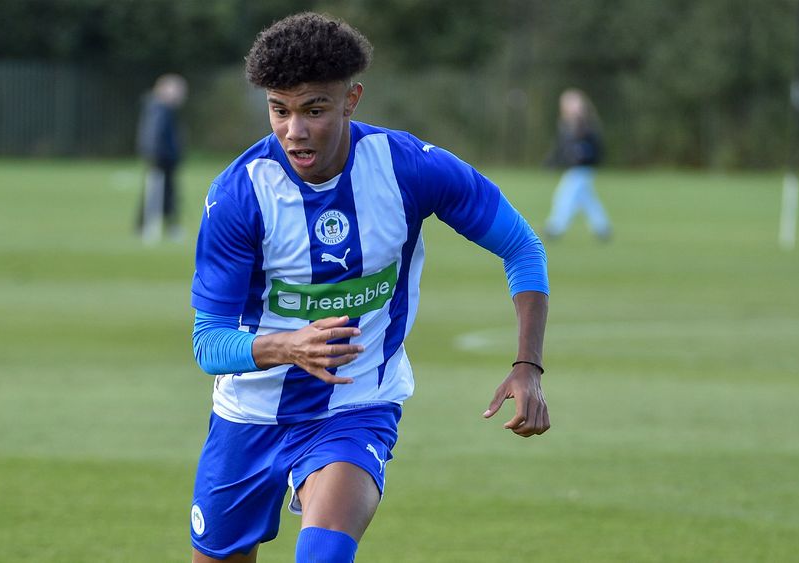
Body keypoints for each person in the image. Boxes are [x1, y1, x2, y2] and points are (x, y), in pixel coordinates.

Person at [188, 12, 550, 563]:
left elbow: (522, 246)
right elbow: (208, 343)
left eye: (314, 110)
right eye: (278, 110)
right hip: (248, 417)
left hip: (356, 404)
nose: (294, 130)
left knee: (323, 555)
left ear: (351, 99)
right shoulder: (239, 196)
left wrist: (528, 366)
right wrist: (288, 347)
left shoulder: (408, 168)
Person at [543, 88, 611, 241]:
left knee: (564, 196)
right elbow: (561, 147)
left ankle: (555, 227)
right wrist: (552, 161)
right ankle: (602, 228)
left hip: (583, 169)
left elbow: (597, 148)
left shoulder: (586, 125)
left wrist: (586, 155)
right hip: (573, 168)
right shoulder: (566, 124)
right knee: (587, 200)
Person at [135, 73, 188, 243]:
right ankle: (150, 227)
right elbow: (154, 135)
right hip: (161, 158)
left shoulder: (162, 108)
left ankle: (156, 225)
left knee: (165, 193)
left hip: (166, 158)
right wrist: (156, 155)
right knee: (158, 193)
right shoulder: (159, 108)